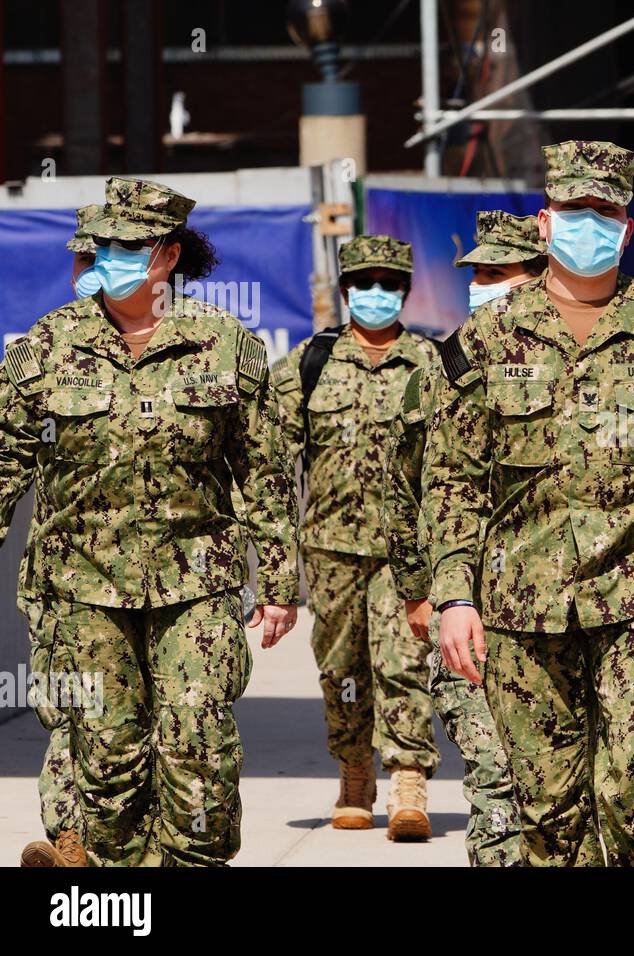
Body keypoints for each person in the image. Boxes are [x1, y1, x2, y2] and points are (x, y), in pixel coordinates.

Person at [417, 140, 634, 866]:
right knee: (548, 814)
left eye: (605, 211)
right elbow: (452, 476)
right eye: (574, 209)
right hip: (522, 606)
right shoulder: (486, 338)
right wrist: (454, 595)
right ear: (545, 223)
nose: (589, 224)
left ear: (627, 228)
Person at [0, 177, 299, 866]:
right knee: (106, 753)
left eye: (131, 245)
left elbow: (264, 470)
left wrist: (281, 580)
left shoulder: (224, 343)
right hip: (80, 586)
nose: (114, 256)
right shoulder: (48, 345)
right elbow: (7, 461)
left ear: (167, 254)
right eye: (105, 244)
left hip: (195, 581)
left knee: (198, 740)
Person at [271, 235, 444, 840]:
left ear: (405, 291)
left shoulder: (431, 364)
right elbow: (269, 452)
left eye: (390, 285)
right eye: (365, 284)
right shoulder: (309, 364)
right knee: (342, 667)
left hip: (408, 555)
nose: (377, 295)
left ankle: (408, 781)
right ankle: (353, 771)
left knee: (404, 664)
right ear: (346, 292)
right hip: (330, 551)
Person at [379, 213, 538, 865]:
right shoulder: (443, 367)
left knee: (567, 789)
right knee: (496, 778)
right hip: (468, 606)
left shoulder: (595, 369)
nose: (484, 287)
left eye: (500, 274)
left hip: (570, 614)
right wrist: (418, 591)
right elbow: (402, 487)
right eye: (479, 275)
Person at [18, 204, 101, 868]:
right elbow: (7, 450)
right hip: (64, 571)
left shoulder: (200, 343)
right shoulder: (43, 346)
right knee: (68, 709)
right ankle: (70, 839)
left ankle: (132, 842)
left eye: (104, 258)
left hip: (168, 582)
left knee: (159, 724)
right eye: (83, 260)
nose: (91, 272)